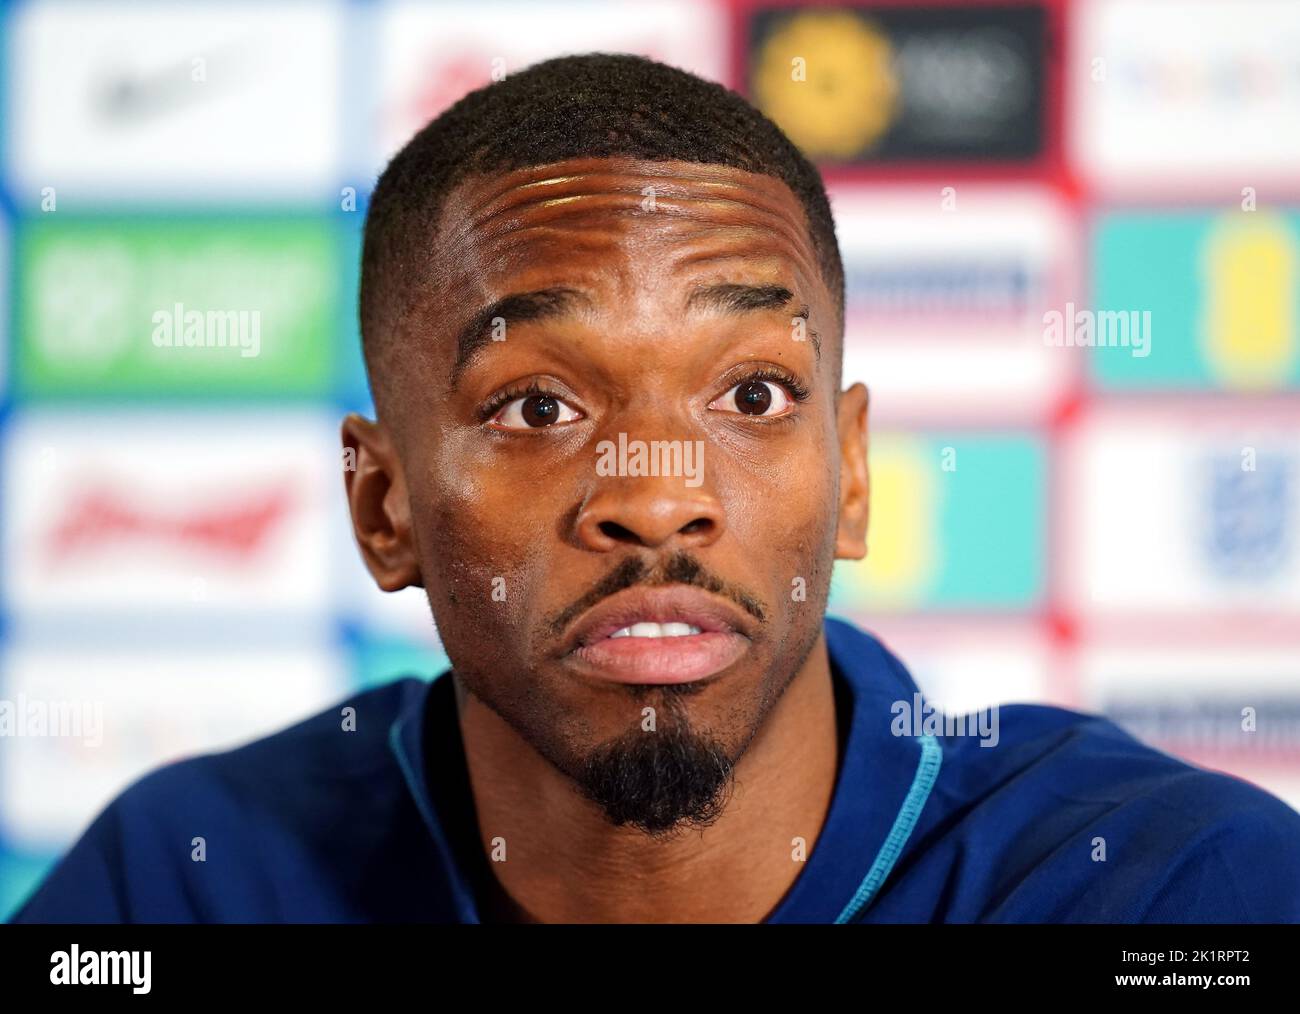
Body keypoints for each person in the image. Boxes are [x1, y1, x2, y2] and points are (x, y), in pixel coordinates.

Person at [12, 53, 1300, 924]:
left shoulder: (1174, 895)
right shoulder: (180, 888)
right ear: (383, 509)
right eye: (538, 407)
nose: (657, 496)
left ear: (850, 476)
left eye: (750, 398)